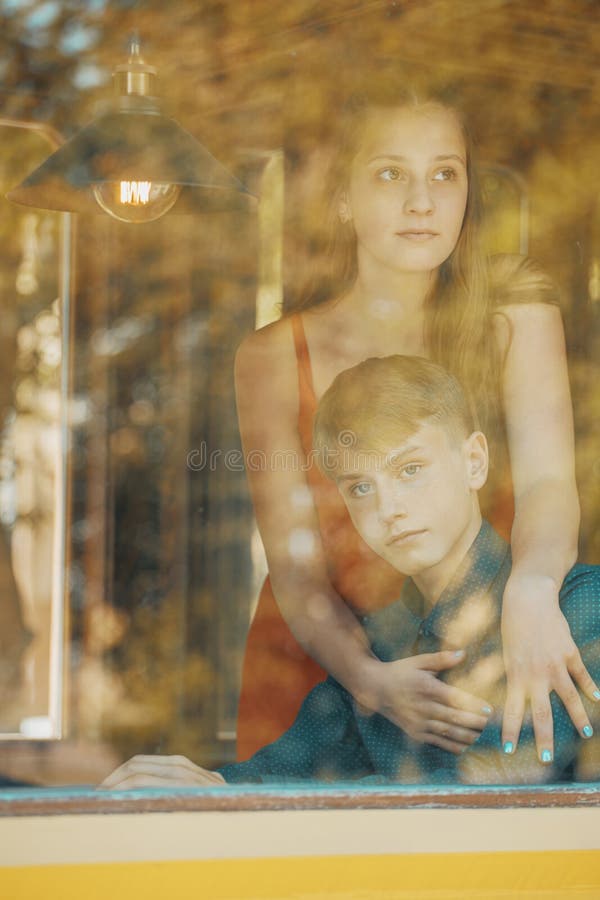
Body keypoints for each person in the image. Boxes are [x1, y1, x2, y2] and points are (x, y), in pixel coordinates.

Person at [233, 80, 596, 764]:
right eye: (390, 174)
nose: (421, 201)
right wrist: (366, 680)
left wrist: (534, 588)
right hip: (329, 663)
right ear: (342, 198)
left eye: (445, 175)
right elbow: (294, 564)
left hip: (489, 640)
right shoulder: (273, 357)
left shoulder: (515, 316)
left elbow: (551, 484)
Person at [100, 356, 600, 788]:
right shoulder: (379, 643)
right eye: (361, 487)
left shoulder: (579, 606)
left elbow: (490, 791)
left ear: (473, 461)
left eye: (409, 469)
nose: (389, 507)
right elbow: (287, 772)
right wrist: (208, 785)